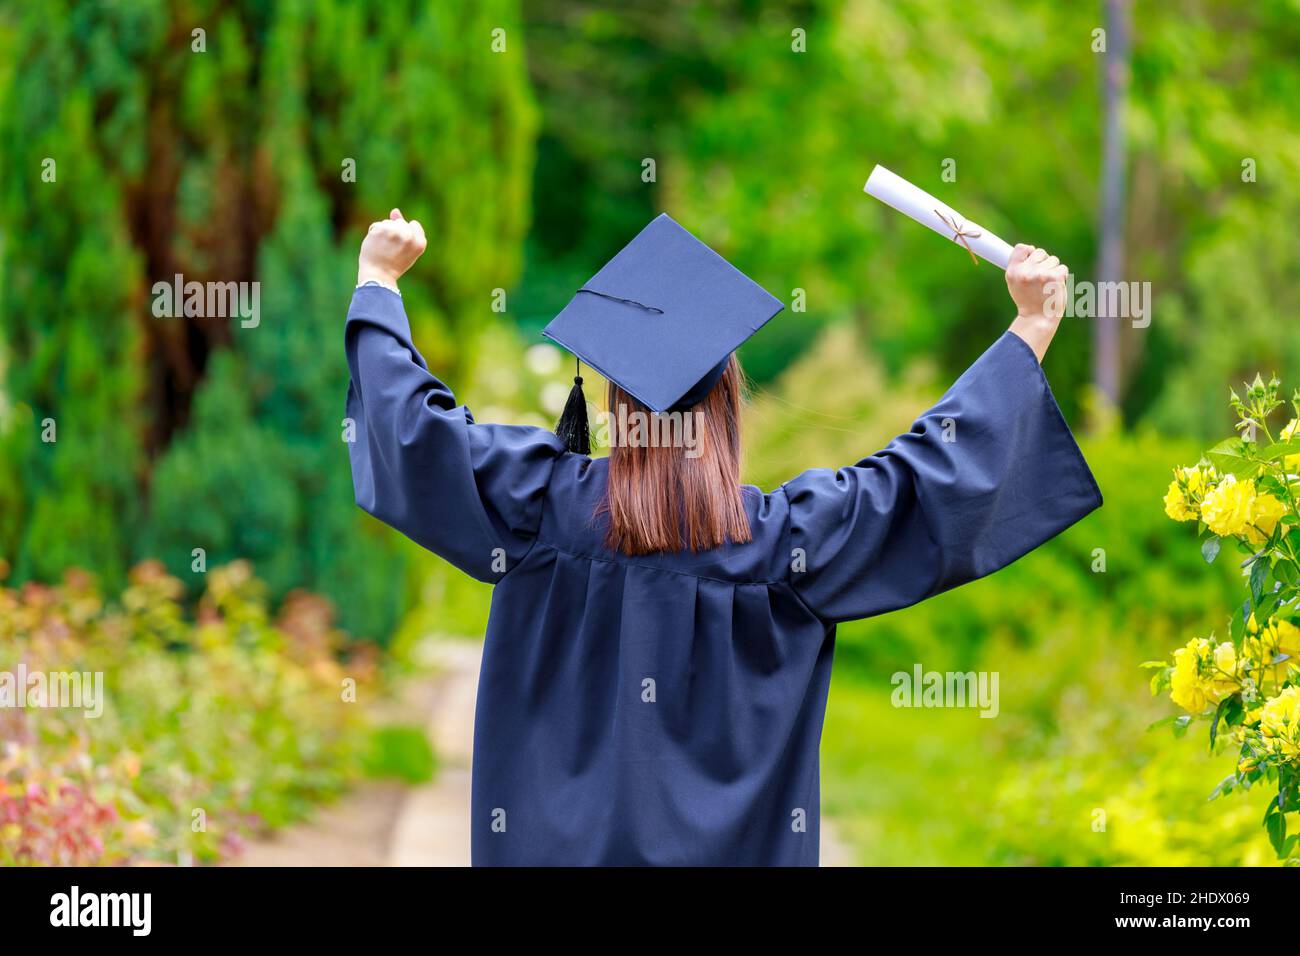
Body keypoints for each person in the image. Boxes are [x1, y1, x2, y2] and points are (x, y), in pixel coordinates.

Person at [345, 207, 1102, 866]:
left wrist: (379, 280)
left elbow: (414, 429)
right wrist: (1030, 325)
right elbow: (923, 479)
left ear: (615, 405)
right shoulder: (789, 542)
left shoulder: (537, 508)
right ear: (727, 409)